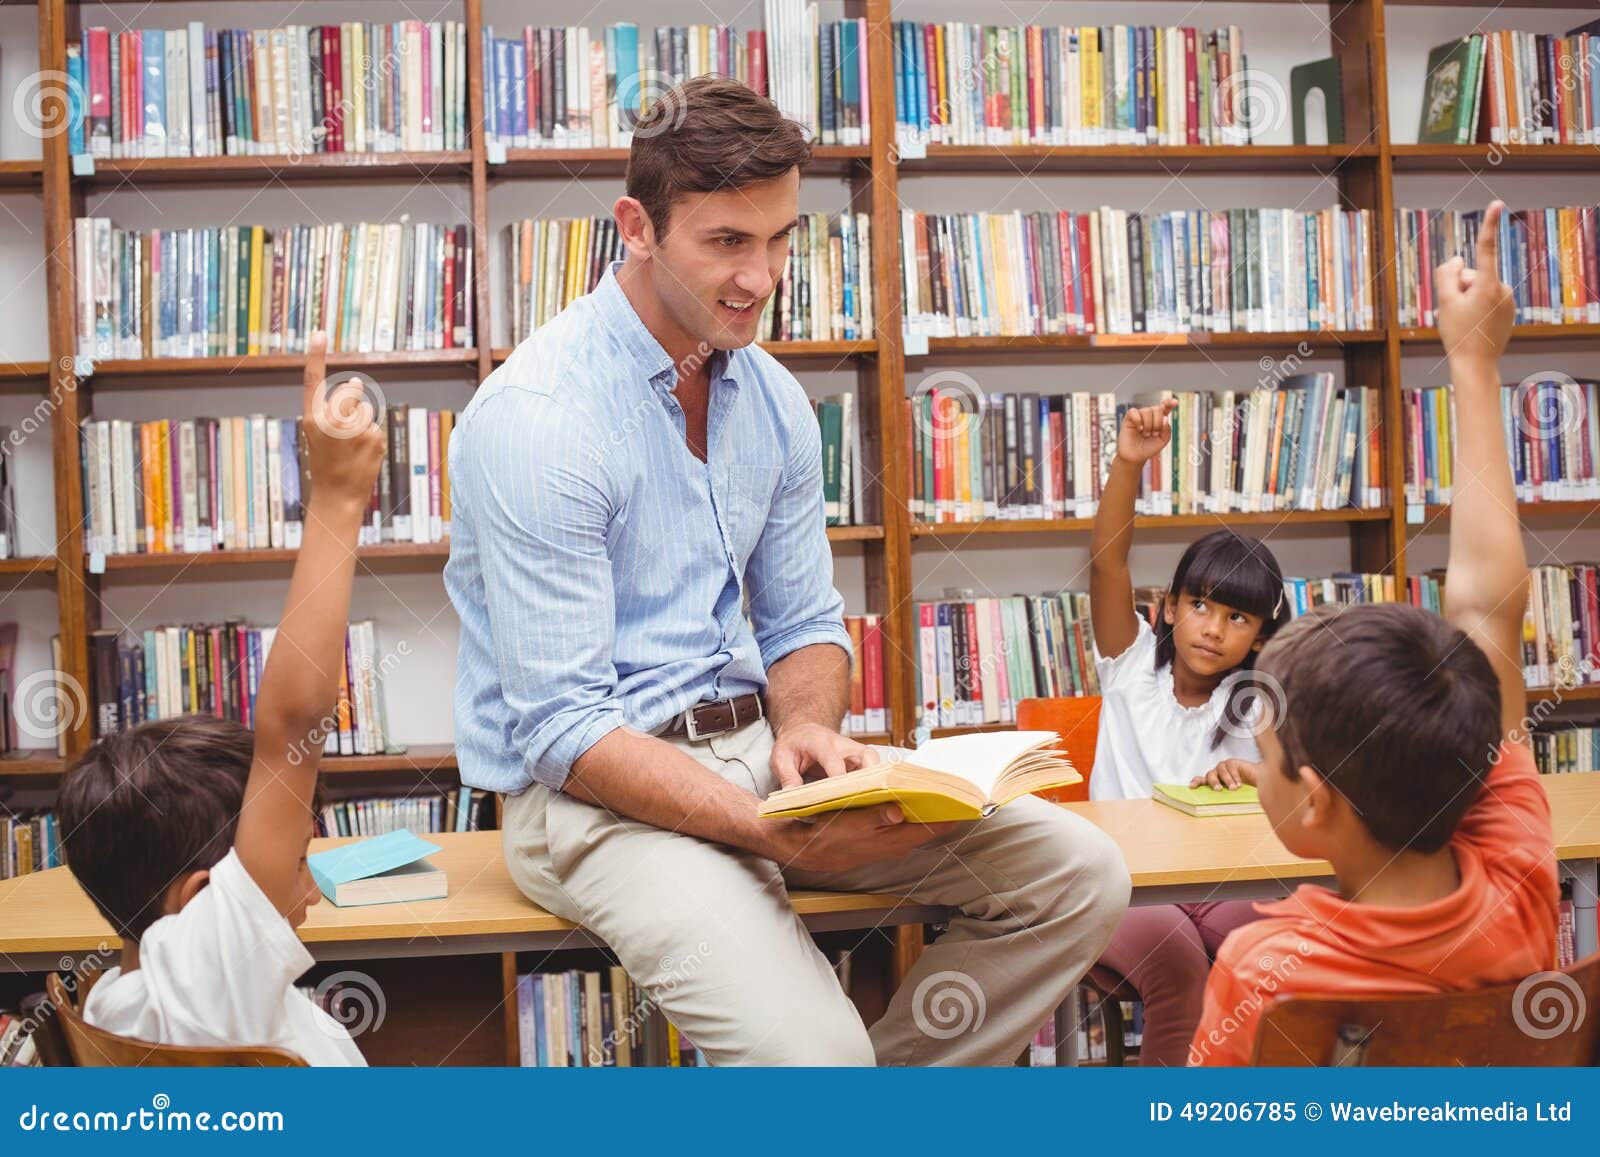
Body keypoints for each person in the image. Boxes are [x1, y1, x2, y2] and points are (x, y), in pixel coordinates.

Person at [445, 75, 1129, 1066]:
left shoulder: (766, 395)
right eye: (727, 240)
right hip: (596, 801)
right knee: (817, 1062)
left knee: (1081, 874)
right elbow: (564, 731)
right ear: (636, 227)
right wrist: (775, 833)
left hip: (761, 758)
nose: (760, 276)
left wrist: (806, 726)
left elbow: (804, 621)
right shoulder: (539, 419)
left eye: (779, 241)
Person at [1189, 200, 1558, 1065]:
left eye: (1265, 747)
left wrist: (1471, 356)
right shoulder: (1520, 877)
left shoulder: (1270, 970)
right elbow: (1487, 611)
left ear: (1313, 801)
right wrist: (1475, 361)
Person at [56, 333, 386, 1065]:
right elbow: (293, 723)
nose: (310, 891)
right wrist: (336, 498)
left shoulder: (126, 995)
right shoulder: (209, 975)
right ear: (203, 896)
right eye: (295, 859)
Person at [1082, 411, 1292, 1064]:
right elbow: (1106, 562)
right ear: (1169, 607)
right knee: (1178, 973)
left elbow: (1305, 791)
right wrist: (1128, 463)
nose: (1213, 628)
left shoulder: (1260, 698)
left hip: (1222, 882)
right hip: (1123, 883)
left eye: (1237, 617)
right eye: (1199, 605)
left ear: (1258, 636)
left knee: (1277, 954)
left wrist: (1257, 776)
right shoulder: (1129, 662)